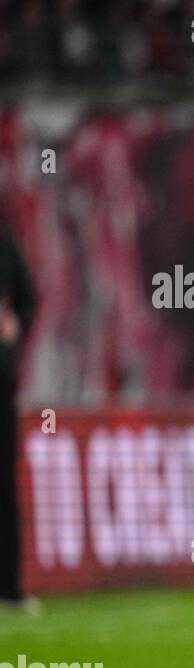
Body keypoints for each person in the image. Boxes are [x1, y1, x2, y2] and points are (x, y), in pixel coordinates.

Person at [0, 222, 37, 614]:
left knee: (5, 483)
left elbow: (28, 300)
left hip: (1, 381)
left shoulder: (5, 240)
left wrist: (16, 326)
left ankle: (9, 586)